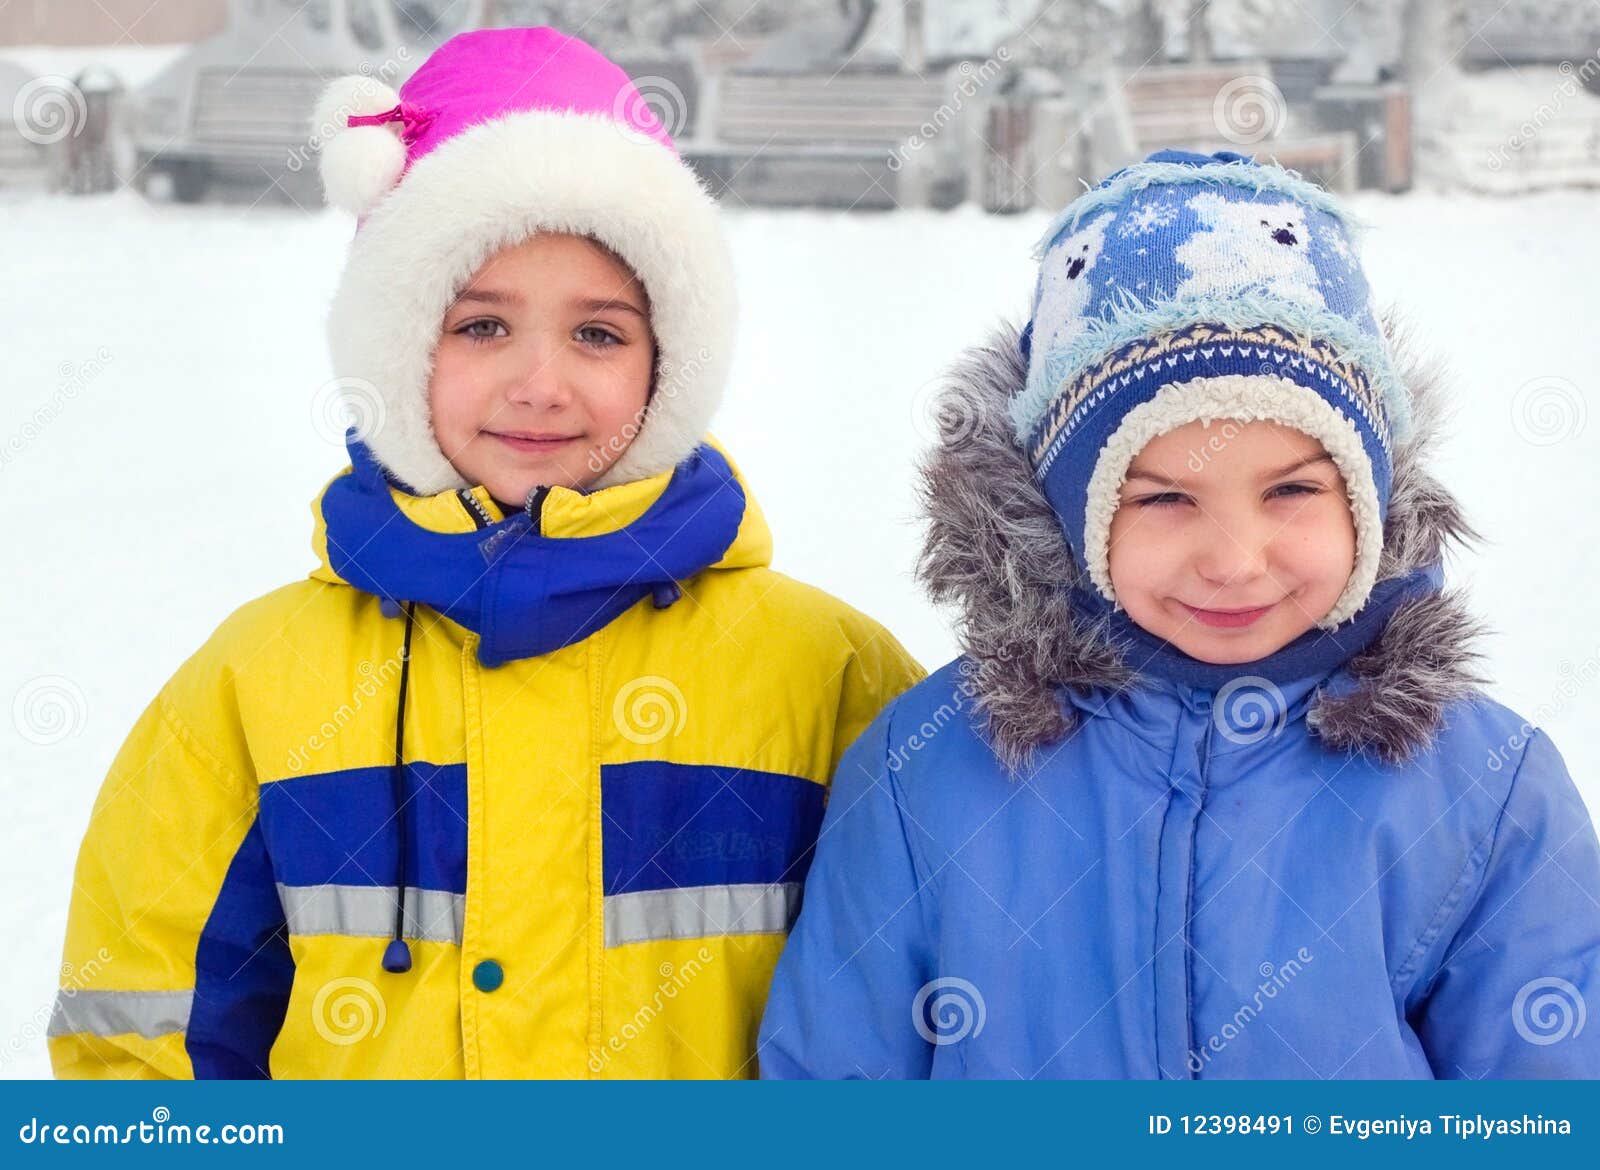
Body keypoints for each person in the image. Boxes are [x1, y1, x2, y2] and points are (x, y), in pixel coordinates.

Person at [49, 27, 921, 1079]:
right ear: (399, 343)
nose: (540, 384)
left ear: (667, 362)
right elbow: (148, 1033)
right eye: (481, 327)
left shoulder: (825, 675)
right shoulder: (254, 685)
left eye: (598, 333)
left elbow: (909, 1018)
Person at [758, 150, 1600, 1079]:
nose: (1236, 561)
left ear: (1368, 497)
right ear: (1068, 517)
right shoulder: (929, 770)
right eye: (1162, 500)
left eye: (1290, 491)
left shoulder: (1484, 790)